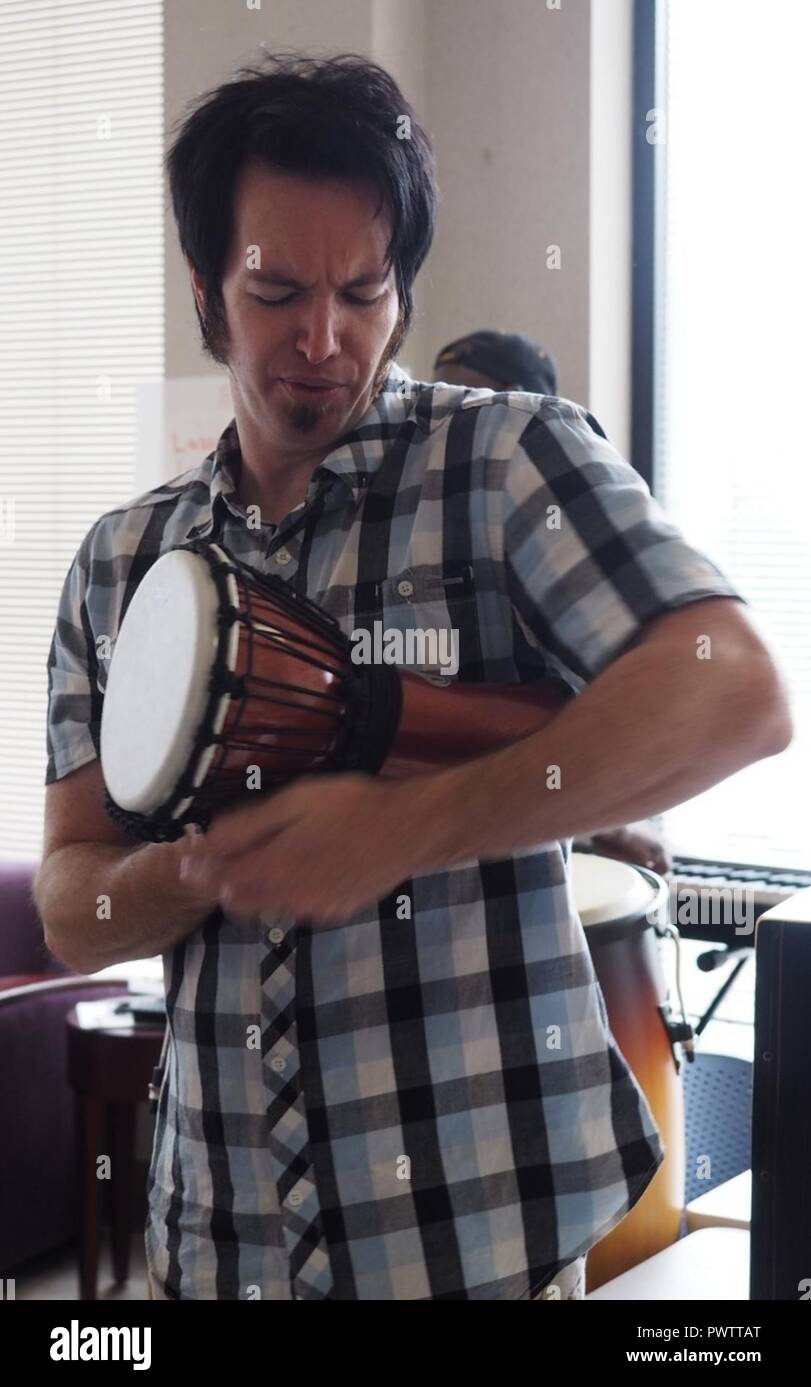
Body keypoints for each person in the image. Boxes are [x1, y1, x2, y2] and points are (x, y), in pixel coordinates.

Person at [35, 52, 792, 1302]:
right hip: (215, 1248)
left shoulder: (499, 465)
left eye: (364, 291)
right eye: (276, 291)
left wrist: (402, 829)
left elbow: (738, 689)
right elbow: (74, 898)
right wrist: (187, 873)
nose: (322, 340)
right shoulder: (121, 563)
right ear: (208, 292)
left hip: (476, 1238)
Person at [433, 330, 672, 876]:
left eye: (475, 395)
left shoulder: (551, 508)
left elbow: (614, 713)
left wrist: (613, 818)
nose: (454, 411)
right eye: (442, 390)